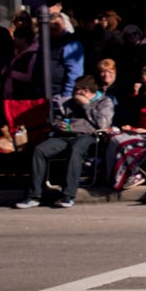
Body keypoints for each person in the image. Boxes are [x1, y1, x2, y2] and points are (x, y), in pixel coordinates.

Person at [19, 75, 113, 209]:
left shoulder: (104, 102)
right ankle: (34, 195)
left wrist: (86, 105)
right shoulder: (69, 103)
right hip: (64, 136)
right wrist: (58, 125)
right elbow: (56, 120)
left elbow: (102, 123)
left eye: (76, 89)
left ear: (85, 91)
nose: (73, 92)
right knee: (40, 150)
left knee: (76, 150)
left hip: (88, 136)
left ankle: (68, 195)